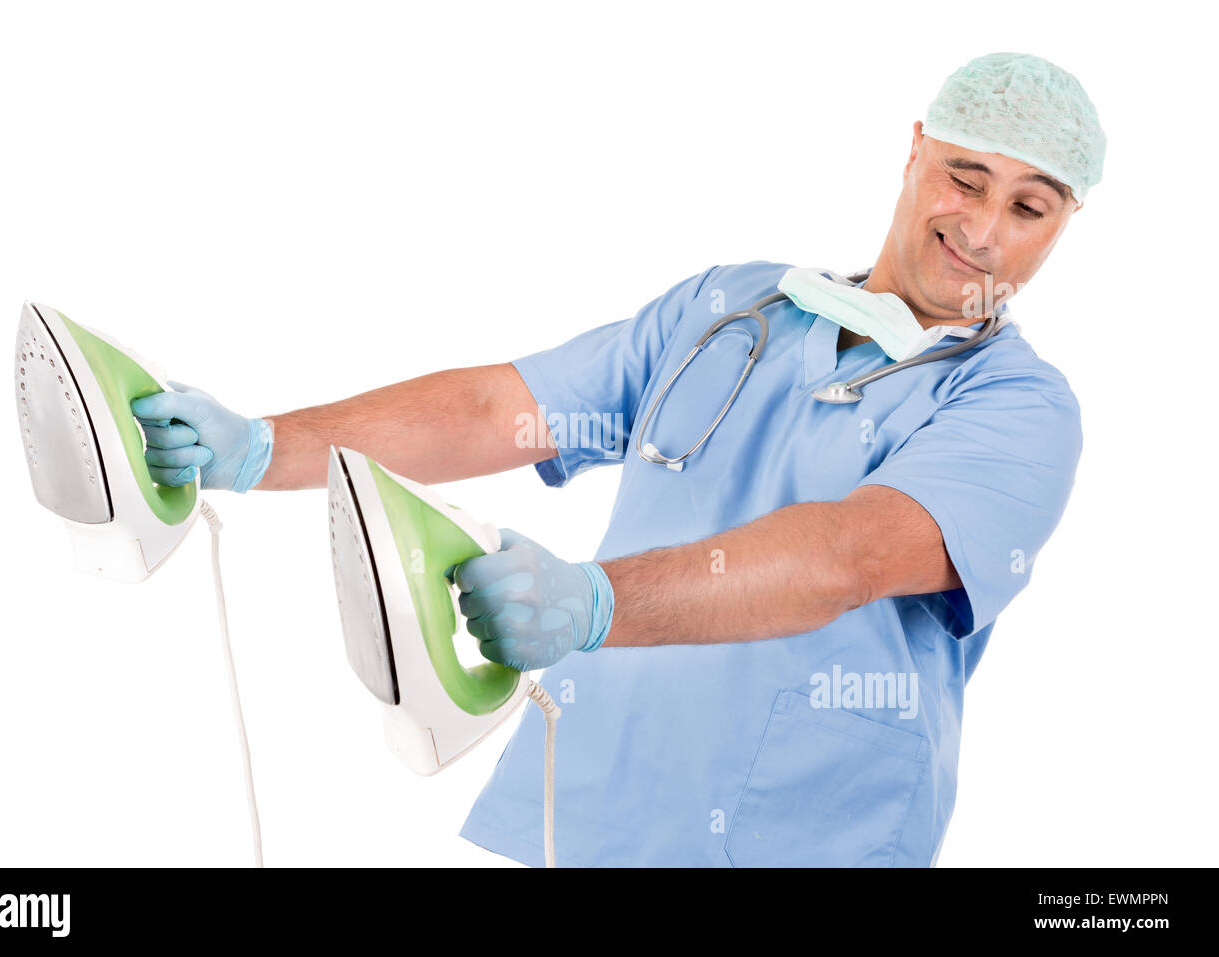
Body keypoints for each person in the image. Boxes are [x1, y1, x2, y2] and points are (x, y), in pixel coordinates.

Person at [132, 52, 1106, 867]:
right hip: (581, 817)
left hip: (802, 840)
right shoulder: (734, 308)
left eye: (1028, 208)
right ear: (913, 148)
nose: (979, 230)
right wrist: (262, 448)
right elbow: (494, 409)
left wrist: (594, 602)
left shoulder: (1016, 405)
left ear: (1062, 228)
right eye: (964, 178)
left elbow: (846, 557)